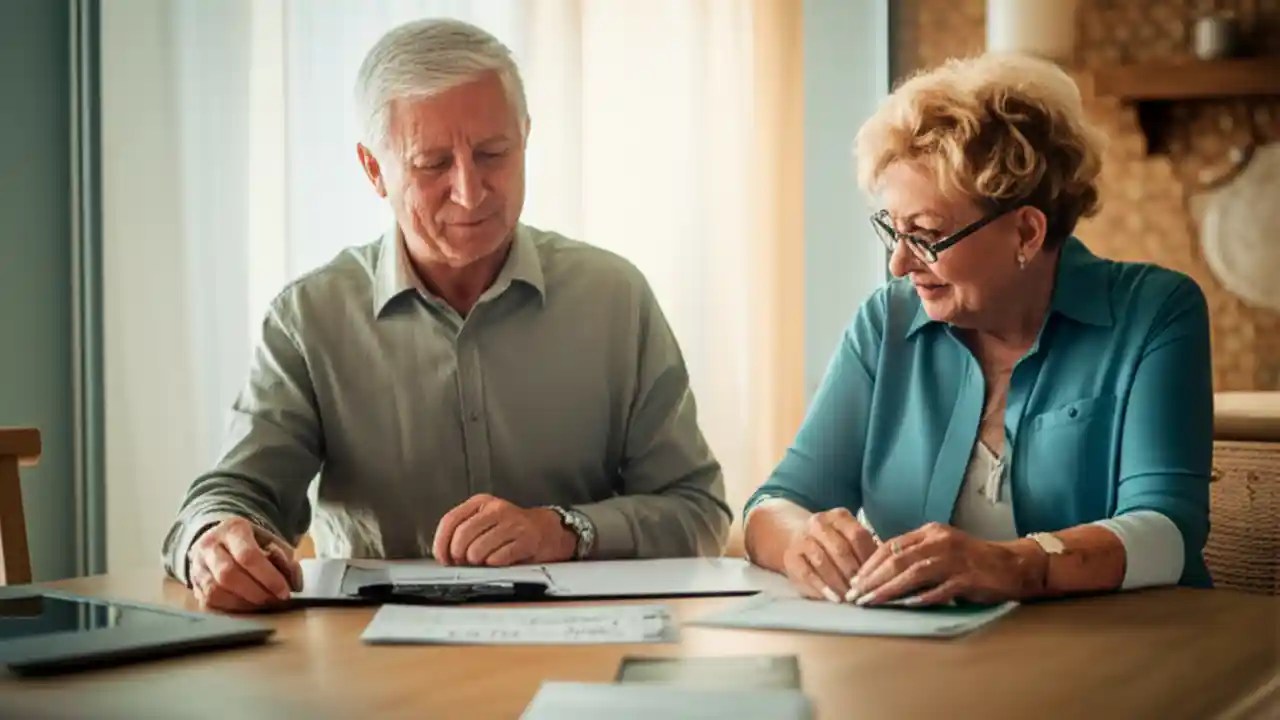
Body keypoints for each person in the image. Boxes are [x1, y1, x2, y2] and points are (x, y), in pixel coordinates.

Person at [163, 18, 730, 612]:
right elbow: (234, 494)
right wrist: (212, 542)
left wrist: (563, 530)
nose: (470, 191)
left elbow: (697, 512)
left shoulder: (616, 298)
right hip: (373, 669)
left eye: (493, 153)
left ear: (526, 138)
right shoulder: (309, 318)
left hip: (581, 657)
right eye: (433, 164)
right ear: (374, 169)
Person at [744, 54, 1213, 606]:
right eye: (892, 231)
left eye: (925, 234)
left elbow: (1168, 531)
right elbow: (774, 503)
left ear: (1026, 232)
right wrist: (803, 539)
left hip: (1124, 655)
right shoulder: (887, 321)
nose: (899, 264)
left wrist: (1013, 564)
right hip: (930, 658)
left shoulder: (1154, 311)